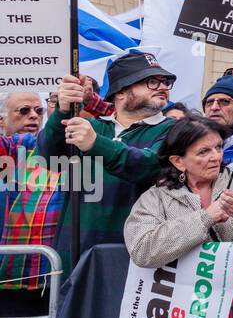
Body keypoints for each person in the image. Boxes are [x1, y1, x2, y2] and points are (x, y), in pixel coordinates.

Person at [41, 51, 178, 267]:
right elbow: (49, 157)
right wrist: (63, 110)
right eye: (151, 81)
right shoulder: (93, 126)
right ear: (121, 91)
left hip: (135, 256)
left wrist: (95, 144)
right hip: (76, 253)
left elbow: (149, 166)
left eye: (165, 81)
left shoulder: (174, 130)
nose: (162, 87)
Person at [123, 117, 233, 268]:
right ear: (178, 162)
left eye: (219, 147)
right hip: (182, 289)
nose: (216, 157)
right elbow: (142, 252)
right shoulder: (157, 197)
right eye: (203, 152)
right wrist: (205, 218)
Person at [0, 92, 62, 318]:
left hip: (52, 277)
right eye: (24, 111)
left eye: (39, 111)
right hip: (7, 279)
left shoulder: (58, 153)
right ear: (2, 120)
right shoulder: (15, 147)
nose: (33, 116)